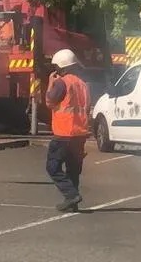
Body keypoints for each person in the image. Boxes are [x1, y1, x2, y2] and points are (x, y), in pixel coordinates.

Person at [45, 48, 91, 212]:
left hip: (64, 133)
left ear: (60, 67)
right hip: (80, 133)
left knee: (53, 167)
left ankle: (71, 195)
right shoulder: (83, 84)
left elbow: (50, 102)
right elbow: (87, 107)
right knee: (73, 169)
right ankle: (73, 204)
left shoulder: (61, 83)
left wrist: (50, 83)